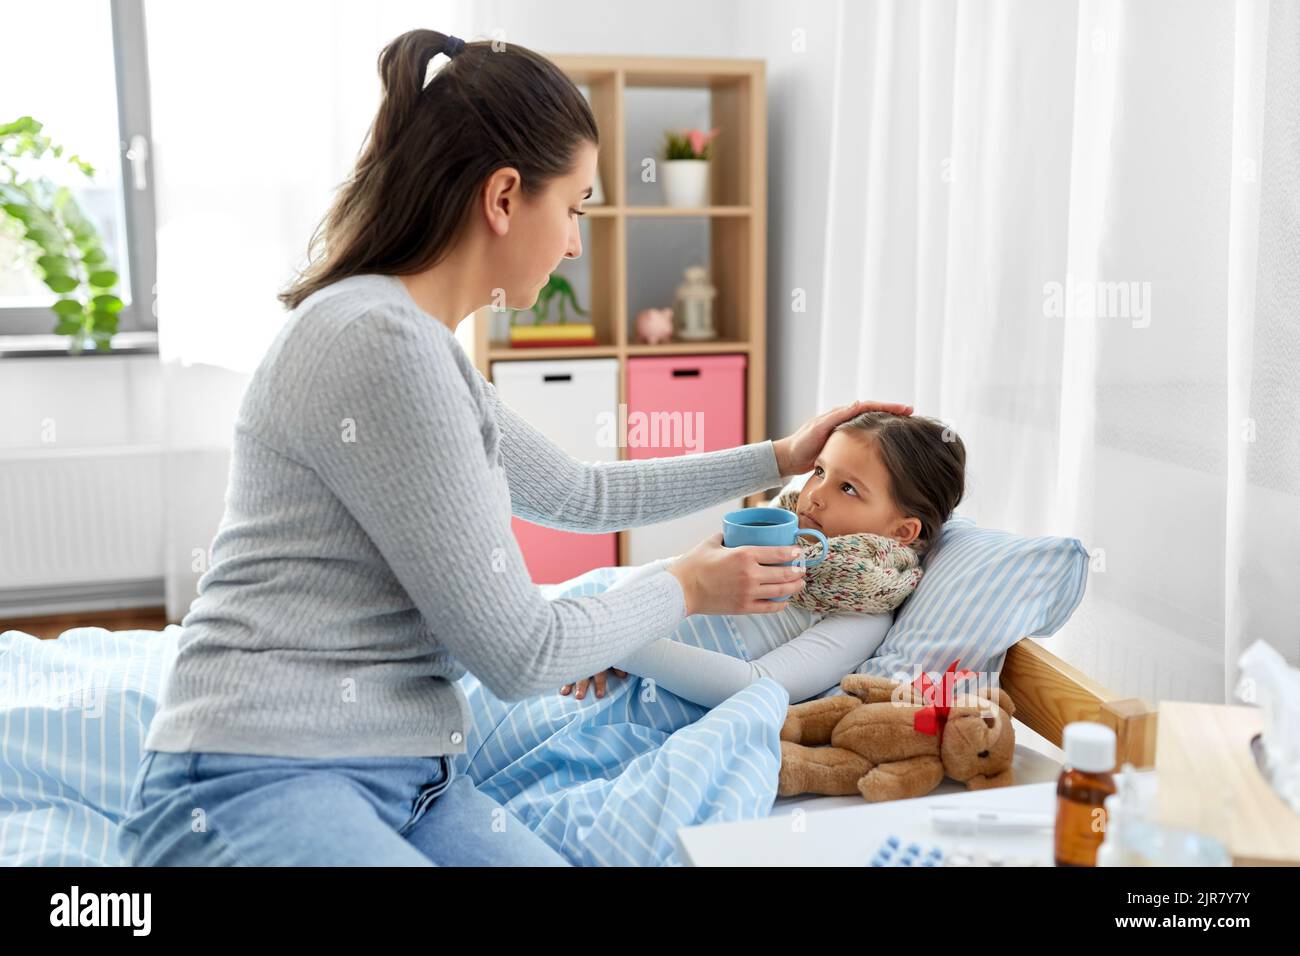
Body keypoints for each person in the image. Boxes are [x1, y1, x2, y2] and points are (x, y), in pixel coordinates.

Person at [118, 29, 913, 867]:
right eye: (573, 208)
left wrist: (780, 456)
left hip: (413, 778)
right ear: (503, 197)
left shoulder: (419, 347)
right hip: (264, 770)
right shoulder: (379, 345)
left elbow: (583, 495)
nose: (575, 242)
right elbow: (522, 654)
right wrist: (685, 586)